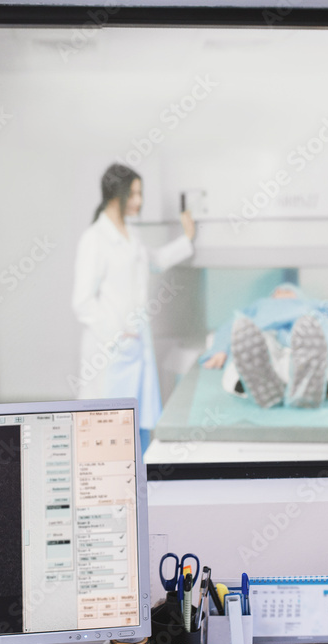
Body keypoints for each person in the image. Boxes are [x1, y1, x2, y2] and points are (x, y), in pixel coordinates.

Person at [71, 163, 195, 445]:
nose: (139, 201)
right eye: (135, 193)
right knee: (108, 430)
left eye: (141, 193)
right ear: (118, 193)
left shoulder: (131, 235)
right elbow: (82, 301)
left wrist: (187, 238)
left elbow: (156, 260)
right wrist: (116, 333)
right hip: (111, 347)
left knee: (134, 427)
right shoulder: (95, 239)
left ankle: (138, 483)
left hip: (135, 345)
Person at [200, 283, 328, 408]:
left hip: (310, 337)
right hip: (266, 334)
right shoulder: (260, 306)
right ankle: (308, 387)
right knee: (257, 344)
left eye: (288, 291)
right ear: (272, 296)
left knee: (317, 345)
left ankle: (296, 383)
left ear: (299, 295)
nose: (283, 292)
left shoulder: (317, 306)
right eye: (279, 292)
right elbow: (232, 326)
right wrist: (219, 349)